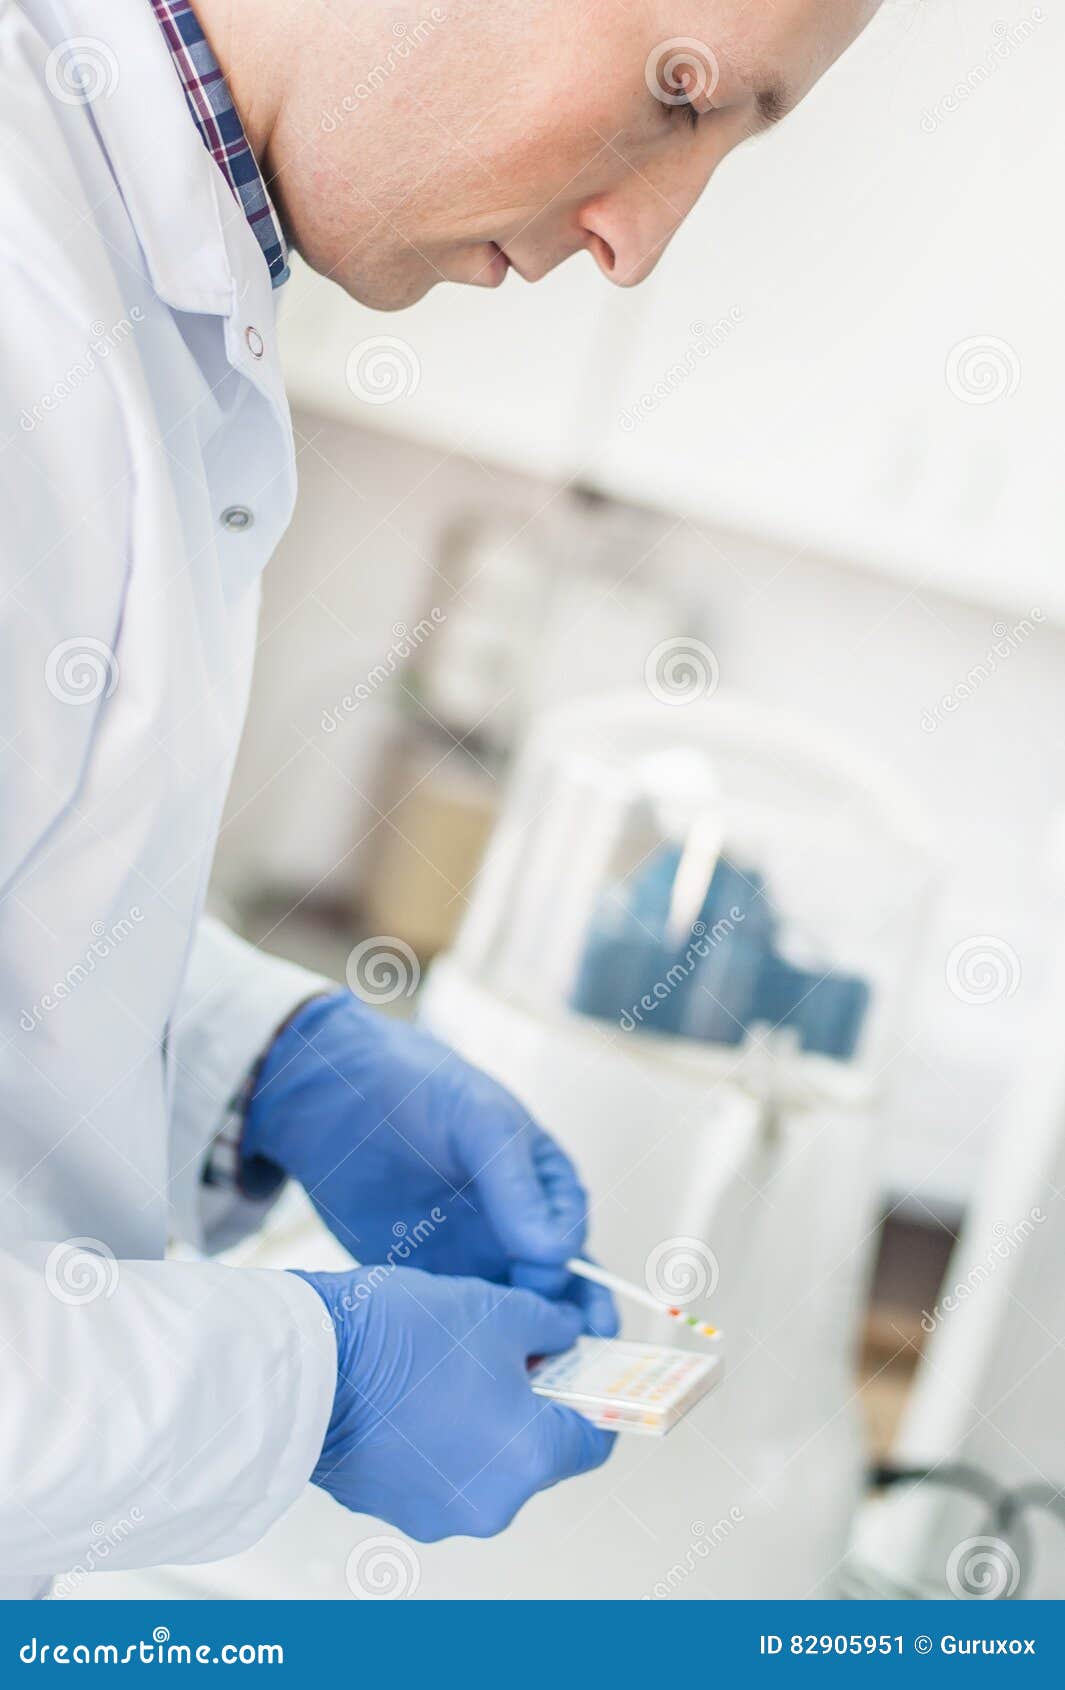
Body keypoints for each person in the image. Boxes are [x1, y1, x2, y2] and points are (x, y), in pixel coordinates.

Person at [0, 0, 879, 1594]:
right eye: (677, 92)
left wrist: (251, 1055)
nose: (640, 244)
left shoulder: (131, 254)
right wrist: (308, 1384)